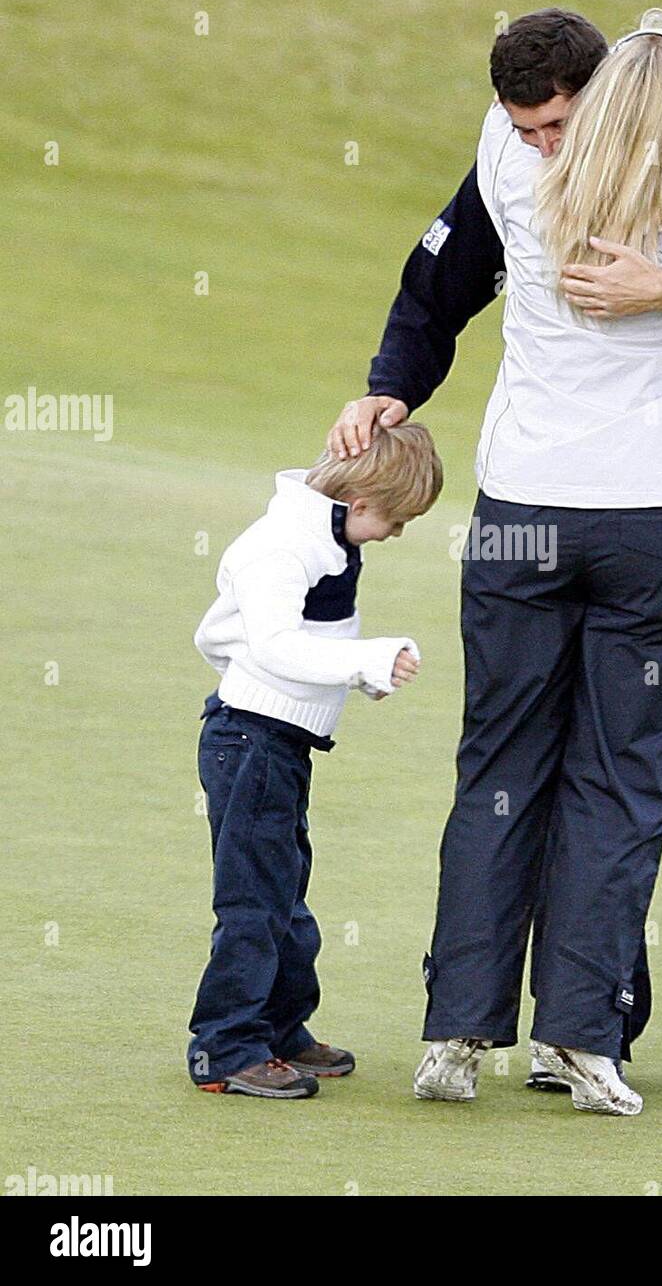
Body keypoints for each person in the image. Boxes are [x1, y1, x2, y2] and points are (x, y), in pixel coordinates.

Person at [331, 8, 662, 1107]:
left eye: (557, 124)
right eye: (526, 129)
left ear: (604, 97)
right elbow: (436, 288)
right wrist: (393, 379)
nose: (541, 145)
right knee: (593, 761)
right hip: (627, 502)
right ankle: (597, 1020)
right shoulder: (512, 157)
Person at [187, 424, 441, 1098]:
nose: (396, 532)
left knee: (285, 895)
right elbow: (271, 647)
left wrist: (360, 674)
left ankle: (278, 1028)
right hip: (252, 744)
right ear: (358, 502)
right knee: (255, 902)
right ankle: (226, 1047)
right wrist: (363, 659)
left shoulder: (321, 539)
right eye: (396, 518)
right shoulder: (284, 546)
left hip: (277, 743)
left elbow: (226, 636)